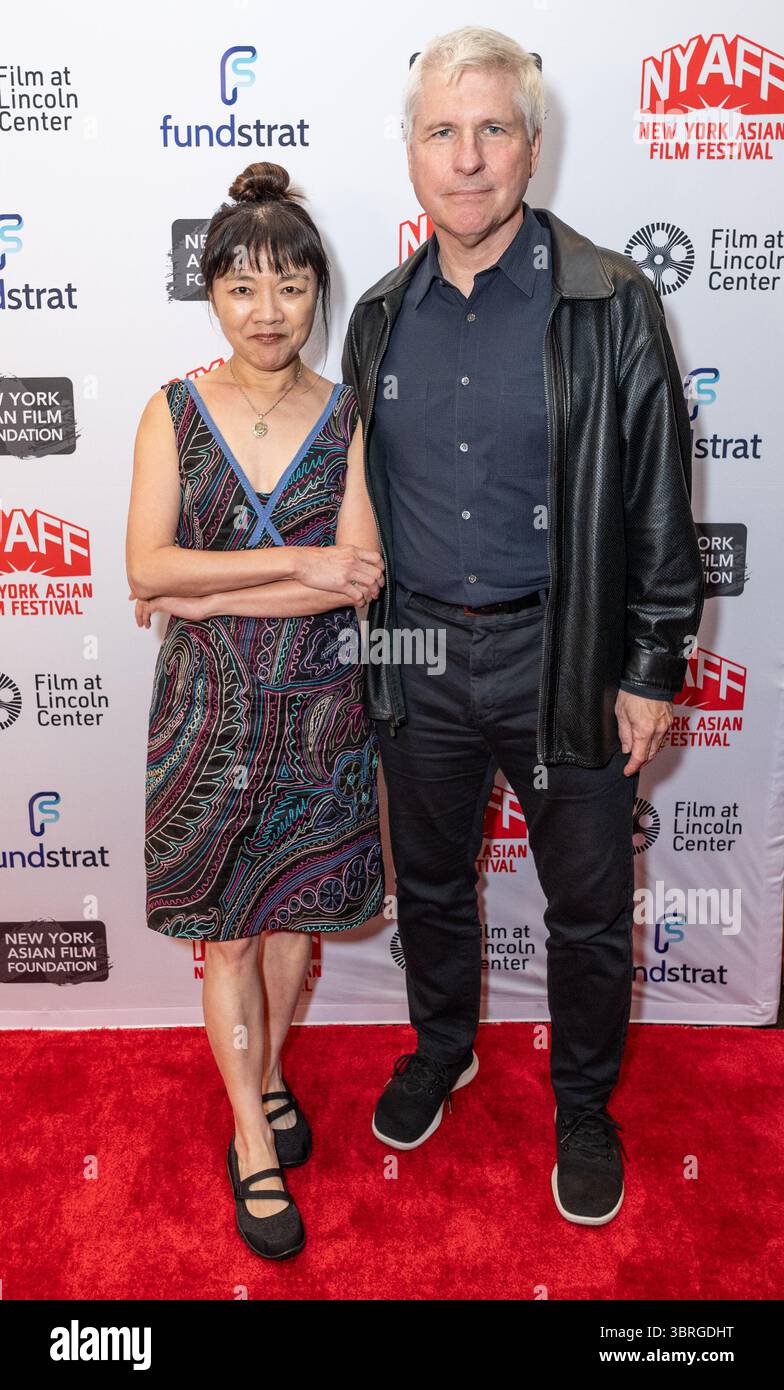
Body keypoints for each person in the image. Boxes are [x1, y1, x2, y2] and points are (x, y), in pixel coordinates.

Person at [341, 27, 704, 1225]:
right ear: (411, 154)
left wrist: (650, 664)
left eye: (492, 129)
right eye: (442, 132)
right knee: (431, 884)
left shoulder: (609, 298)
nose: (468, 158)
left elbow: (658, 498)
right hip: (416, 655)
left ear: (531, 149)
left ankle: (584, 1105)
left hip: (567, 656)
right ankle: (442, 1046)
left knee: (588, 911)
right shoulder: (379, 315)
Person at [126, 161, 386, 1260]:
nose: (267, 311)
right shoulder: (173, 411)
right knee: (226, 936)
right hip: (206, 719)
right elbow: (145, 567)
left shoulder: (350, 414)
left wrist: (206, 586)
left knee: (290, 922)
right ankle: (251, 1136)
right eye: (241, 287)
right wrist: (297, 564)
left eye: (289, 286)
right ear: (213, 296)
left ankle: (269, 1072)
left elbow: (359, 575)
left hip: (321, 712)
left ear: (318, 291)